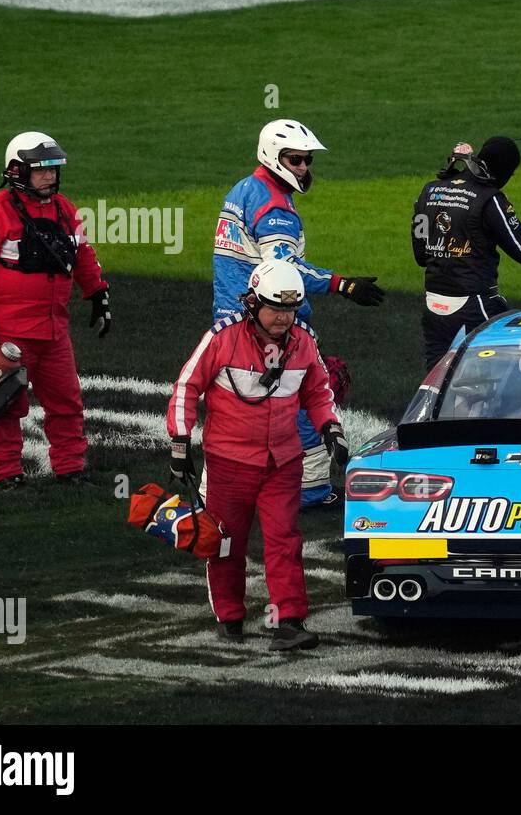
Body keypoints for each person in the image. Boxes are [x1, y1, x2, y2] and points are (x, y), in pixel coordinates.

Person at [168, 259, 349, 650]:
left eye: (291, 309)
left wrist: (331, 429)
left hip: (282, 462)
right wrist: (180, 442)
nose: (285, 318)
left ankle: (289, 621)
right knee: (226, 542)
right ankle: (230, 616)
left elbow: (318, 392)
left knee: (284, 539)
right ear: (253, 303)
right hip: (229, 464)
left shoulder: (304, 340)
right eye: (276, 308)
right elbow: (186, 387)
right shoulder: (221, 338)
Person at [212, 118, 383, 508]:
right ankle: (310, 489)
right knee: (308, 393)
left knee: (240, 408)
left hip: (232, 315)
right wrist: (342, 283)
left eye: (307, 160)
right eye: (296, 160)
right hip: (268, 319)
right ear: (274, 157)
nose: (304, 167)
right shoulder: (275, 209)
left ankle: (225, 488)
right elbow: (284, 271)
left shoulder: (244, 189)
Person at [0, 131, 112, 489]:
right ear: (16, 171)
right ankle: (8, 472)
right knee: (7, 404)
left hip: (54, 331)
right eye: (41, 169)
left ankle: (70, 468)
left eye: (54, 169)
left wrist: (98, 293)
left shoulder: (65, 209)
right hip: (9, 334)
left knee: (67, 402)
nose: (50, 176)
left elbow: (83, 255)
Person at [412, 137, 521, 369]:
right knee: (494, 379)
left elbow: (421, 256)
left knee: (438, 383)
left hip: (433, 306)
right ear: (505, 172)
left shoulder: (429, 191)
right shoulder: (489, 199)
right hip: (475, 307)